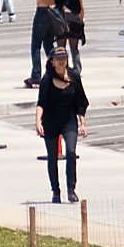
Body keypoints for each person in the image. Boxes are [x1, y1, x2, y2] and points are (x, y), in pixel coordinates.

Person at [34, 47, 87, 204]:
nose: (61, 61)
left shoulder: (74, 77)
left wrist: (83, 123)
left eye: (63, 57)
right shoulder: (47, 80)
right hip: (50, 121)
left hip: (69, 120)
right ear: (52, 61)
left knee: (71, 151)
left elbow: (81, 102)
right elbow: (41, 103)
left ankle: (71, 189)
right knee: (52, 157)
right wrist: (38, 122)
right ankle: (55, 191)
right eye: (58, 58)